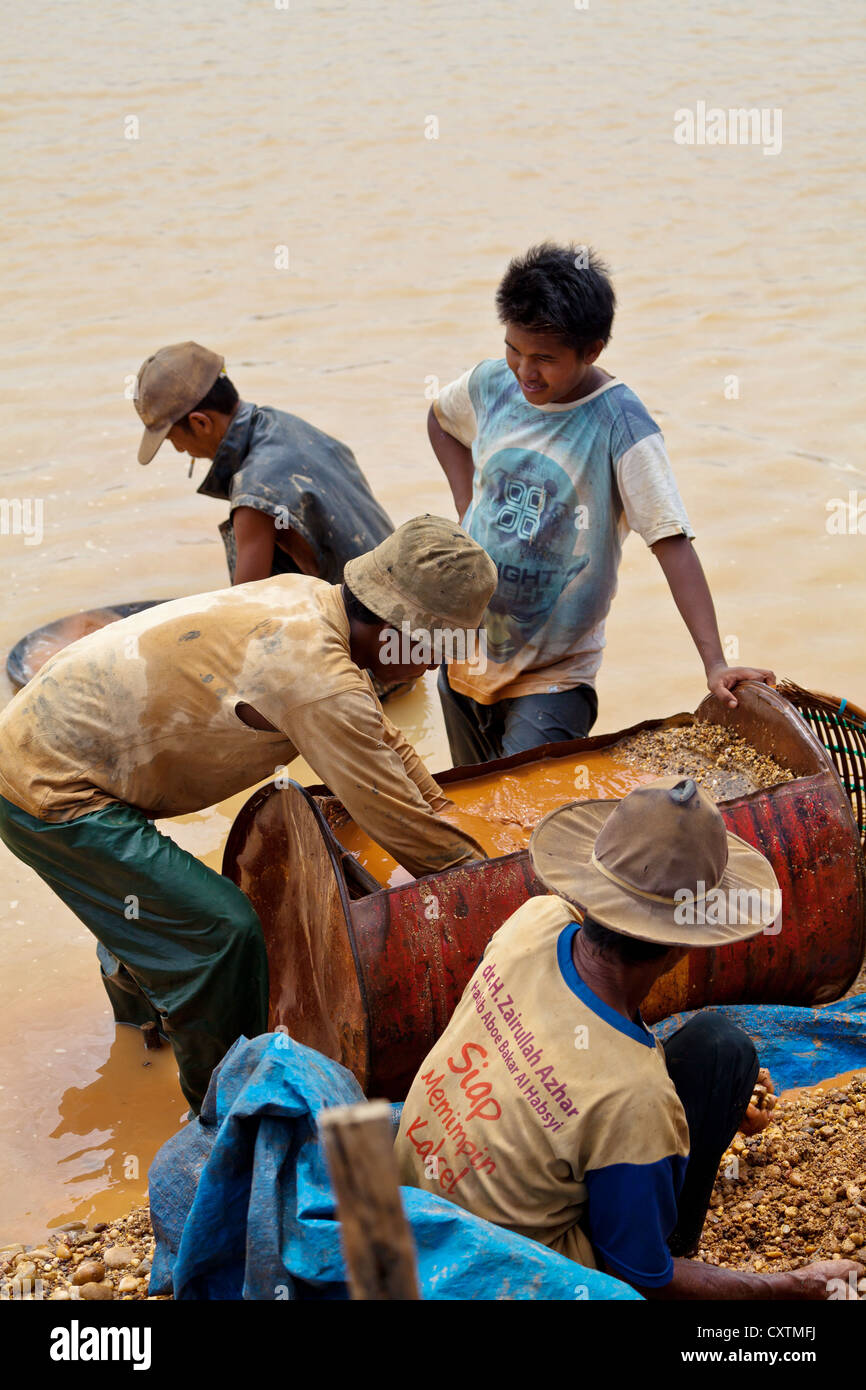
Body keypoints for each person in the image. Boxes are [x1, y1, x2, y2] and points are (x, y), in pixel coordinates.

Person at [0, 517, 496, 1114]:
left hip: (56, 735)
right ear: (400, 634)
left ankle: (140, 1029)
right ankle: (223, 1116)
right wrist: (492, 879)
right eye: (436, 649)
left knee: (157, 905)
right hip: (50, 787)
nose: (434, 669)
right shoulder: (317, 680)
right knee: (224, 932)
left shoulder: (308, 597)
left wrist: (445, 806)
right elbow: (399, 824)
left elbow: (385, 743)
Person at [394, 776, 863, 1299]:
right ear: (683, 945)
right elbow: (641, 1284)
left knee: (718, 1048)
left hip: (419, 1209)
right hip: (506, 1276)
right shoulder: (635, 1099)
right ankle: (676, 1240)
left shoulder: (534, 920)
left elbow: (566, 1048)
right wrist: (794, 1286)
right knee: (646, 1231)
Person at [428, 243, 775, 765]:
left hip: (554, 678)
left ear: (591, 350)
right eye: (514, 349)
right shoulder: (491, 384)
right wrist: (465, 505)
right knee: (472, 815)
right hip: (465, 657)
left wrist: (715, 661)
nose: (525, 370)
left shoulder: (621, 425)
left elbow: (671, 542)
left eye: (544, 358)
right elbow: (441, 421)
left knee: (525, 820)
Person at [134, 340, 394, 585]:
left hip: (376, 625)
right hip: (405, 591)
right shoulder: (290, 427)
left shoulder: (255, 492)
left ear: (200, 423)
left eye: (172, 439)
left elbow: (245, 611)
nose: (180, 450)